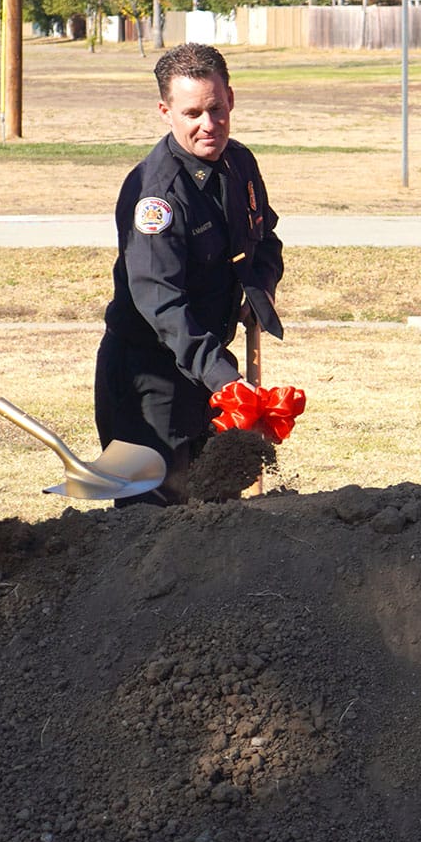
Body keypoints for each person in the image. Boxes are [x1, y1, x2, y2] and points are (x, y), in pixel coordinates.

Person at [95, 43, 282, 506]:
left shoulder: (239, 164)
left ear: (231, 100)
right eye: (192, 112)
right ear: (166, 112)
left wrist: (260, 293)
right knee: (153, 521)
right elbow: (162, 306)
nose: (208, 125)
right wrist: (224, 378)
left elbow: (265, 240)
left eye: (216, 109)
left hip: (206, 367)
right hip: (151, 377)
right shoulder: (156, 196)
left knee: (214, 514)